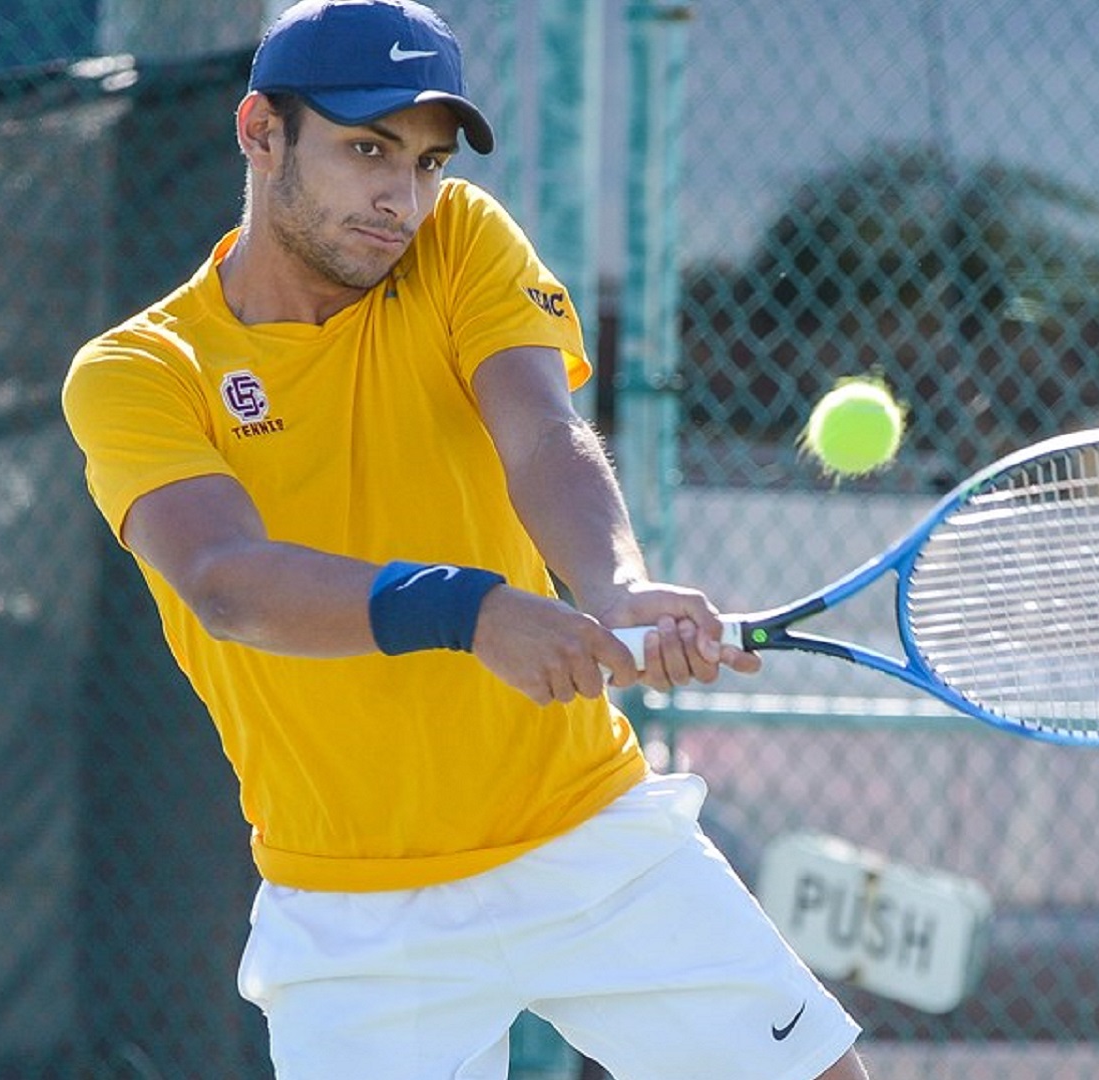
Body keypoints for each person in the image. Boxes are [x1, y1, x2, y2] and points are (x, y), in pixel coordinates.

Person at [60, 1, 869, 1077]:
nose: (402, 196)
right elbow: (226, 581)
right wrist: (468, 610)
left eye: (428, 160)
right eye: (366, 148)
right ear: (260, 131)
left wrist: (613, 585)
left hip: (590, 837)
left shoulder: (459, 243)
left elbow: (541, 431)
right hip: (352, 912)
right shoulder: (137, 373)